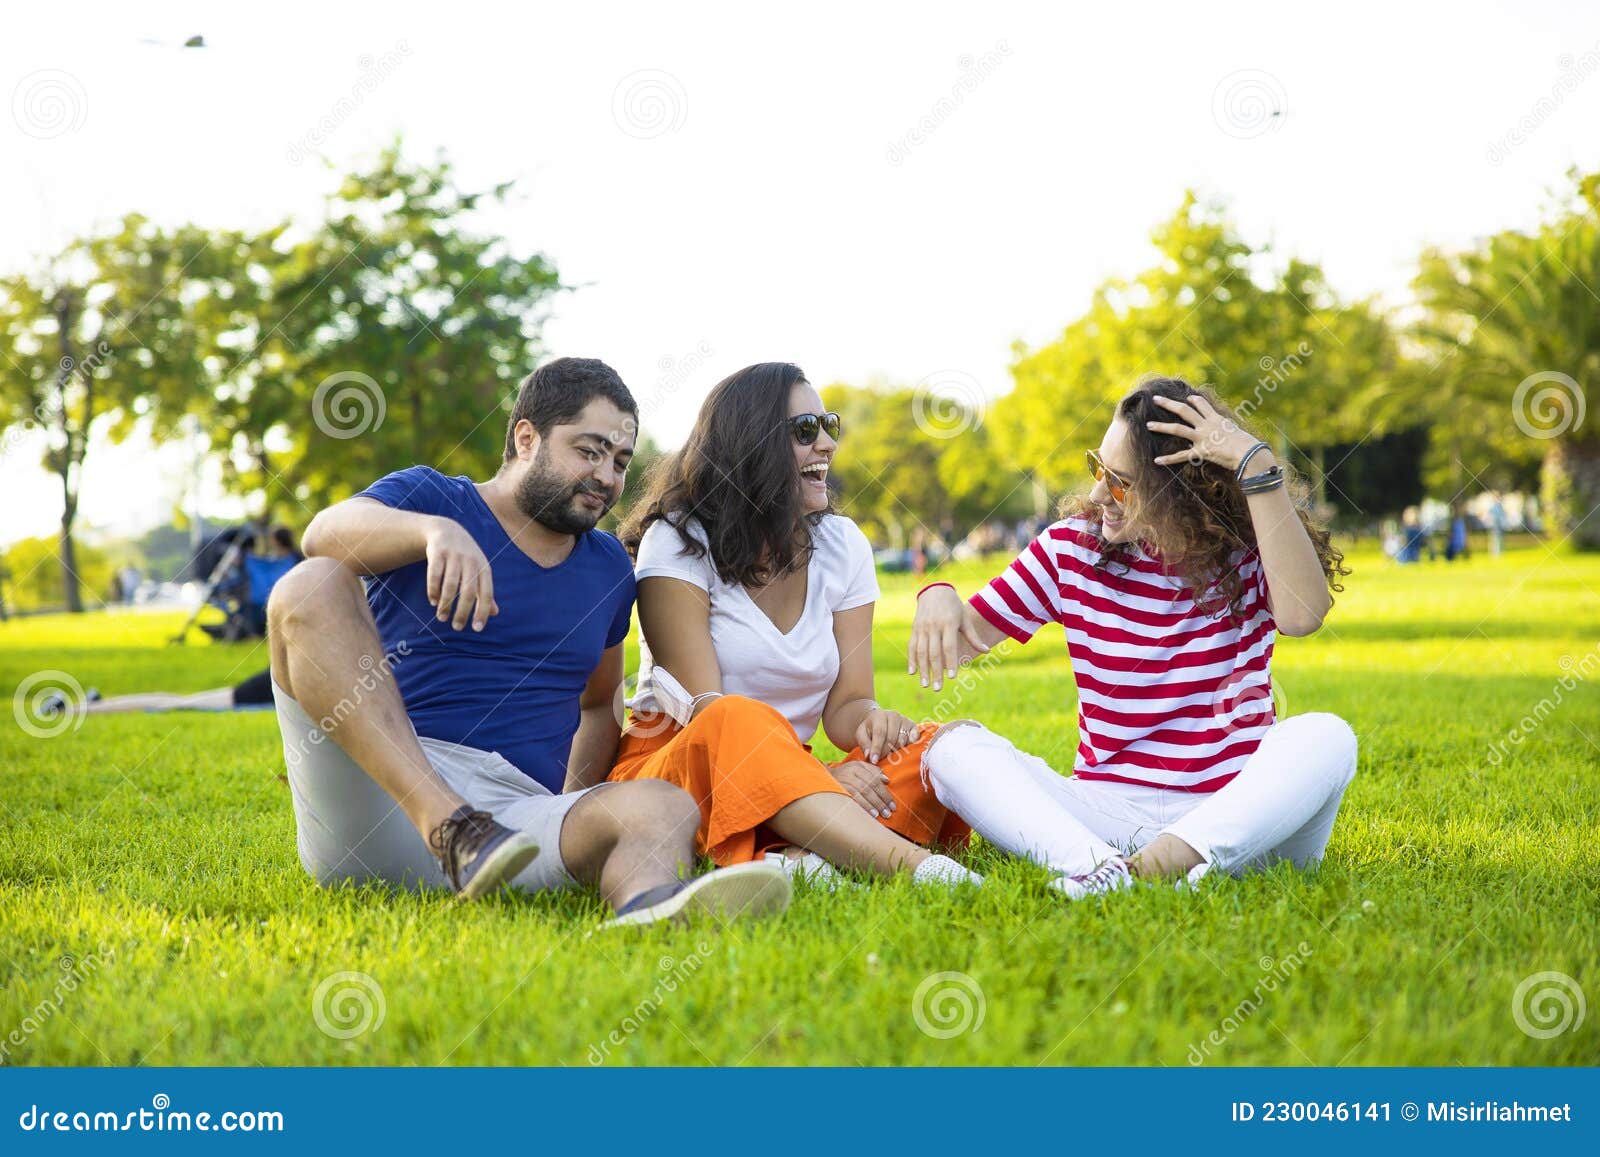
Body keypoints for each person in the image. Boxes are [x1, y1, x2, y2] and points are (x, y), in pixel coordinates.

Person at [266, 356, 789, 925]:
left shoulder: (609, 569)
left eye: (619, 461)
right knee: (310, 582)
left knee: (664, 806)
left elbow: (597, 704)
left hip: (510, 825)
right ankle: (451, 828)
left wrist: (572, 807)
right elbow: (322, 536)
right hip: (377, 796)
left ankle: (647, 907)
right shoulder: (432, 499)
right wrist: (432, 533)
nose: (607, 478)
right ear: (525, 438)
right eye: (587, 451)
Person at [909, 375, 1359, 898]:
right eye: (1098, 468)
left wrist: (1256, 467)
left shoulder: (1250, 550)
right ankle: (1105, 871)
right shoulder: (1069, 552)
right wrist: (934, 593)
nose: (1099, 493)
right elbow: (962, 639)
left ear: (1181, 490)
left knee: (1327, 736)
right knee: (951, 750)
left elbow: (1303, 615)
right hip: (1108, 815)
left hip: (1239, 817)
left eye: (1121, 481)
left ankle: (1156, 864)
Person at [609, 362, 981, 890]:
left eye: (829, 425)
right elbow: (705, 717)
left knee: (932, 749)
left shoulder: (842, 543)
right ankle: (923, 872)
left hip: (791, 776)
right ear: (751, 445)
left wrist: (874, 723)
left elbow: (847, 707)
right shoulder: (677, 541)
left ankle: (802, 858)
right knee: (736, 717)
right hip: (678, 770)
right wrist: (821, 781)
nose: (827, 444)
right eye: (806, 432)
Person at [40, 669, 276, 715]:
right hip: (247, 693)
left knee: (172, 701)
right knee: (171, 703)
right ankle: (77, 708)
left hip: (253, 690)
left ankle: (86, 705)